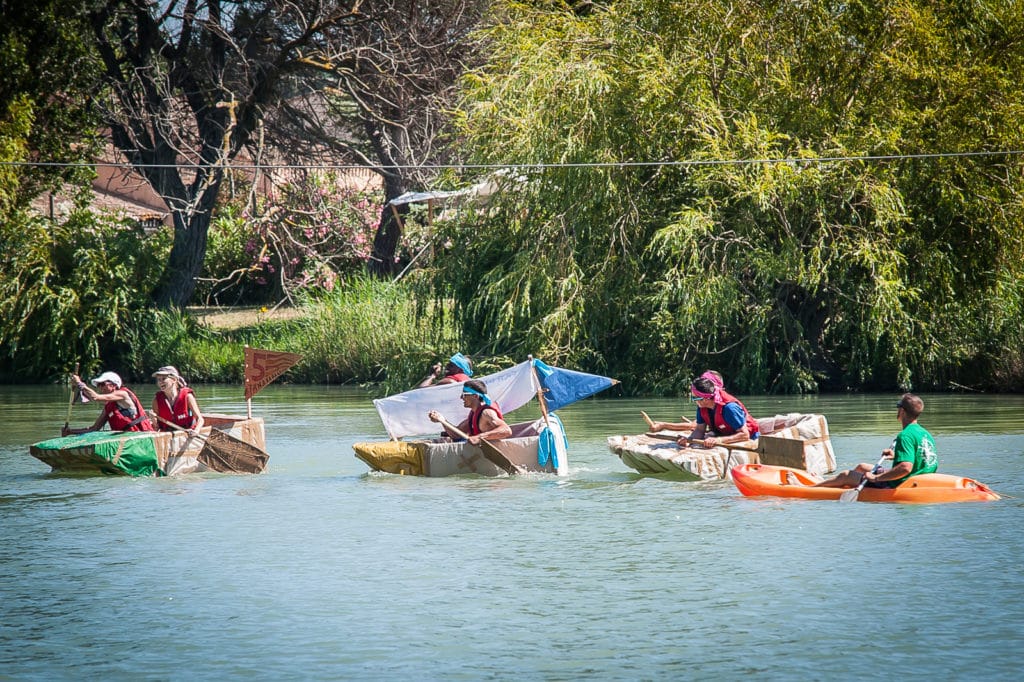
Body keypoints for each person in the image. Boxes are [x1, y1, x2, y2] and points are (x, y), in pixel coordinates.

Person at [815, 393, 938, 488]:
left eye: (898, 407)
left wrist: (876, 478)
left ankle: (812, 488)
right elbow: (922, 457)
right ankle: (831, 483)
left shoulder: (905, 435)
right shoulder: (925, 433)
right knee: (862, 467)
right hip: (917, 478)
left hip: (900, 483)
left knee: (846, 475)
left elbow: (905, 467)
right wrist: (896, 456)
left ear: (902, 411)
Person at [62, 371, 155, 435]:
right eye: (99, 385)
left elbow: (95, 397)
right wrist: (70, 432)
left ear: (114, 385)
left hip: (139, 435)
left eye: (103, 384)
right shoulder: (109, 407)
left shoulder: (123, 394)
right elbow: (94, 429)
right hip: (123, 439)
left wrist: (79, 383)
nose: (101, 388)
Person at [681, 374, 759, 447]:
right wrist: (689, 440)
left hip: (749, 438)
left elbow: (745, 435)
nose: (694, 401)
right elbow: (700, 430)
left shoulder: (729, 408)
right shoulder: (701, 407)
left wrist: (719, 440)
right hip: (726, 435)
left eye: (694, 398)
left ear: (705, 399)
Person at [427, 379, 512, 445]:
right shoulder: (474, 414)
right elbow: (457, 435)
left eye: (464, 395)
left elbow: (507, 430)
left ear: (475, 396)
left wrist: (479, 437)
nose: (461, 397)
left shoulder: (486, 413)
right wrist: (442, 420)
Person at [150, 365, 204, 434]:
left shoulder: (187, 397)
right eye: (159, 380)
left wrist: (196, 431)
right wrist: (153, 420)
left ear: (174, 380)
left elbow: (200, 419)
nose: (160, 382)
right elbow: (156, 427)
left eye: (163, 379)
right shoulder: (156, 400)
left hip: (188, 432)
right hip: (167, 434)